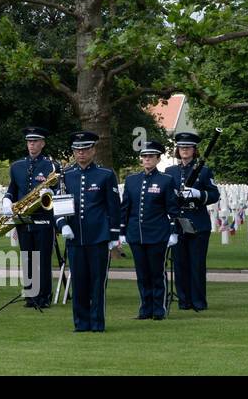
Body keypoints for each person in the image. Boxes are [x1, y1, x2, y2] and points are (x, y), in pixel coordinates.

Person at [57, 131, 120, 332]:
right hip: (75, 237)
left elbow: (113, 207)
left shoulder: (106, 175)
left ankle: (97, 323)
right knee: (79, 282)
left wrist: (113, 236)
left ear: (93, 150)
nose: (81, 153)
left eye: (85, 149)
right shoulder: (65, 176)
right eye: (77, 150)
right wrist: (62, 225)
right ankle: (81, 323)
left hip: (98, 237)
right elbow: (57, 205)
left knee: (97, 283)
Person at [121, 141, 180, 320]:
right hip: (135, 234)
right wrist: (122, 231)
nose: (147, 159)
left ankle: (158, 308)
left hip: (157, 234)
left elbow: (172, 208)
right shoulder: (131, 180)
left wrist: (174, 231)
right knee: (142, 273)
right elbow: (126, 208)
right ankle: (145, 308)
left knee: (156, 272)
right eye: (144, 156)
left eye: (151, 157)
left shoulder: (166, 180)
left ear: (158, 159)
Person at [164, 131, 221, 311]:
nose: (184, 150)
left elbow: (214, 194)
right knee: (180, 264)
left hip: (197, 222)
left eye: (188, 147)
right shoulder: (170, 171)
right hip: (177, 223)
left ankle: (198, 301)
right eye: (181, 147)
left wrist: (198, 194)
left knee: (196, 264)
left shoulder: (203, 171)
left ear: (194, 150)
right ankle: (184, 300)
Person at [4, 126, 58, 308]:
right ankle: (30, 295)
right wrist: (6, 200)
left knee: (42, 258)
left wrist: (51, 192)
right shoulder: (17, 166)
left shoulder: (52, 165)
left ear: (42, 144)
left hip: (43, 218)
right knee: (27, 258)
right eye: (29, 141)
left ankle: (43, 297)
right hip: (23, 219)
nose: (31, 145)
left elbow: (58, 191)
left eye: (35, 141)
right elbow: (13, 188)